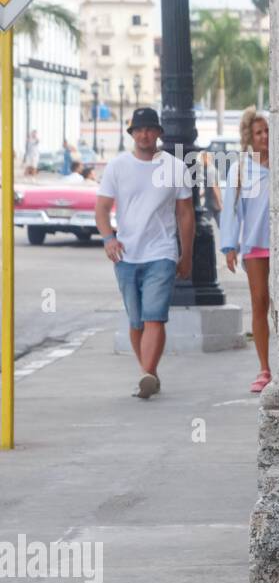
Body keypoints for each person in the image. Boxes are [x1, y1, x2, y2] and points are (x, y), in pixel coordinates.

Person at [94, 108, 194, 399]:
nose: (144, 134)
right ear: (132, 134)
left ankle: (147, 374)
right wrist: (108, 238)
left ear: (159, 133)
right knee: (136, 321)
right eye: (139, 129)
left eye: (150, 129)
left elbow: (186, 214)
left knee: (154, 317)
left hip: (161, 252)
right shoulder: (117, 167)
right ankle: (149, 374)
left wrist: (185, 255)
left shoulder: (175, 167)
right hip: (125, 254)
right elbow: (101, 208)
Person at [219, 108, 272, 393]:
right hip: (254, 245)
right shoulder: (241, 168)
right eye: (258, 133)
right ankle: (264, 369)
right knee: (259, 302)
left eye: (267, 131)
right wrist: (229, 246)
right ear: (249, 138)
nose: (264, 137)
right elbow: (231, 210)